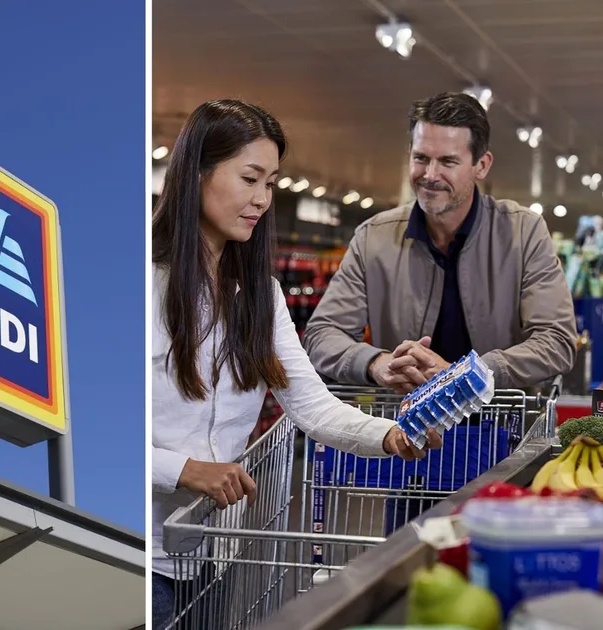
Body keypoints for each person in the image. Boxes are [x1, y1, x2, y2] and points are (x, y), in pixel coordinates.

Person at [150, 99, 442, 630]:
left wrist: (392, 435)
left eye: (270, 184)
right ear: (197, 173)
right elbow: (95, 428)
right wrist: (183, 470)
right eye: (249, 179)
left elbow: (311, 406)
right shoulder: (142, 284)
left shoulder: (260, 295)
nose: (262, 200)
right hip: (143, 554)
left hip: (219, 551)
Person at [301, 91, 577, 533]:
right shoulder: (374, 238)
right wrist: (377, 363)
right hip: (414, 448)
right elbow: (321, 335)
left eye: (447, 161)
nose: (429, 175)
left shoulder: (523, 232)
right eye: (420, 158)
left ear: (481, 165)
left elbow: (558, 341)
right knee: (409, 559)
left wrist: (468, 376)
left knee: (489, 562)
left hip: (500, 448)